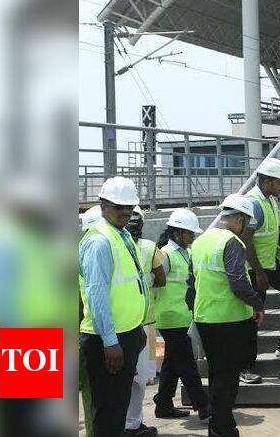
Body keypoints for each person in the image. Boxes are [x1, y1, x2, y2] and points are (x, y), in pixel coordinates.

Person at [191, 194, 266, 437]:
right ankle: (222, 428)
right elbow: (238, 282)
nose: (246, 229)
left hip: (205, 318)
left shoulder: (201, 241)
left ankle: (219, 425)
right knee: (228, 379)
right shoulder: (232, 242)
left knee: (217, 375)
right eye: (246, 223)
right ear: (239, 219)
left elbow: (191, 283)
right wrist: (257, 304)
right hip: (229, 321)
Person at [79, 177, 148, 437]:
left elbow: (132, 286)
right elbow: (97, 296)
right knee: (107, 412)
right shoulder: (100, 242)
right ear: (103, 205)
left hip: (125, 334)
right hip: (107, 340)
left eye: (129, 207)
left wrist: (136, 327)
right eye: (118, 206)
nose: (125, 212)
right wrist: (110, 342)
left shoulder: (123, 235)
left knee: (117, 408)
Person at [242, 157, 280, 386]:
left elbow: (274, 231)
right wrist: (260, 273)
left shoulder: (270, 200)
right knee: (254, 316)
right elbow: (247, 241)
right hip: (256, 269)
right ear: (268, 181)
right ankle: (246, 367)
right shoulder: (254, 202)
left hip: (272, 263)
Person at [152, 209, 210, 420]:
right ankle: (203, 404)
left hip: (181, 316)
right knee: (186, 363)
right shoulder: (165, 254)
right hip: (170, 317)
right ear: (177, 233)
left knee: (172, 362)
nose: (193, 237)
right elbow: (155, 282)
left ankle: (163, 404)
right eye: (189, 233)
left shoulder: (185, 252)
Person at [124, 208, 166, 437]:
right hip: (139, 322)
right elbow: (161, 278)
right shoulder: (147, 247)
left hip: (137, 322)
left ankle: (131, 422)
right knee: (138, 378)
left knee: (137, 378)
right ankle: (131, 422)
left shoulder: (133, 247)